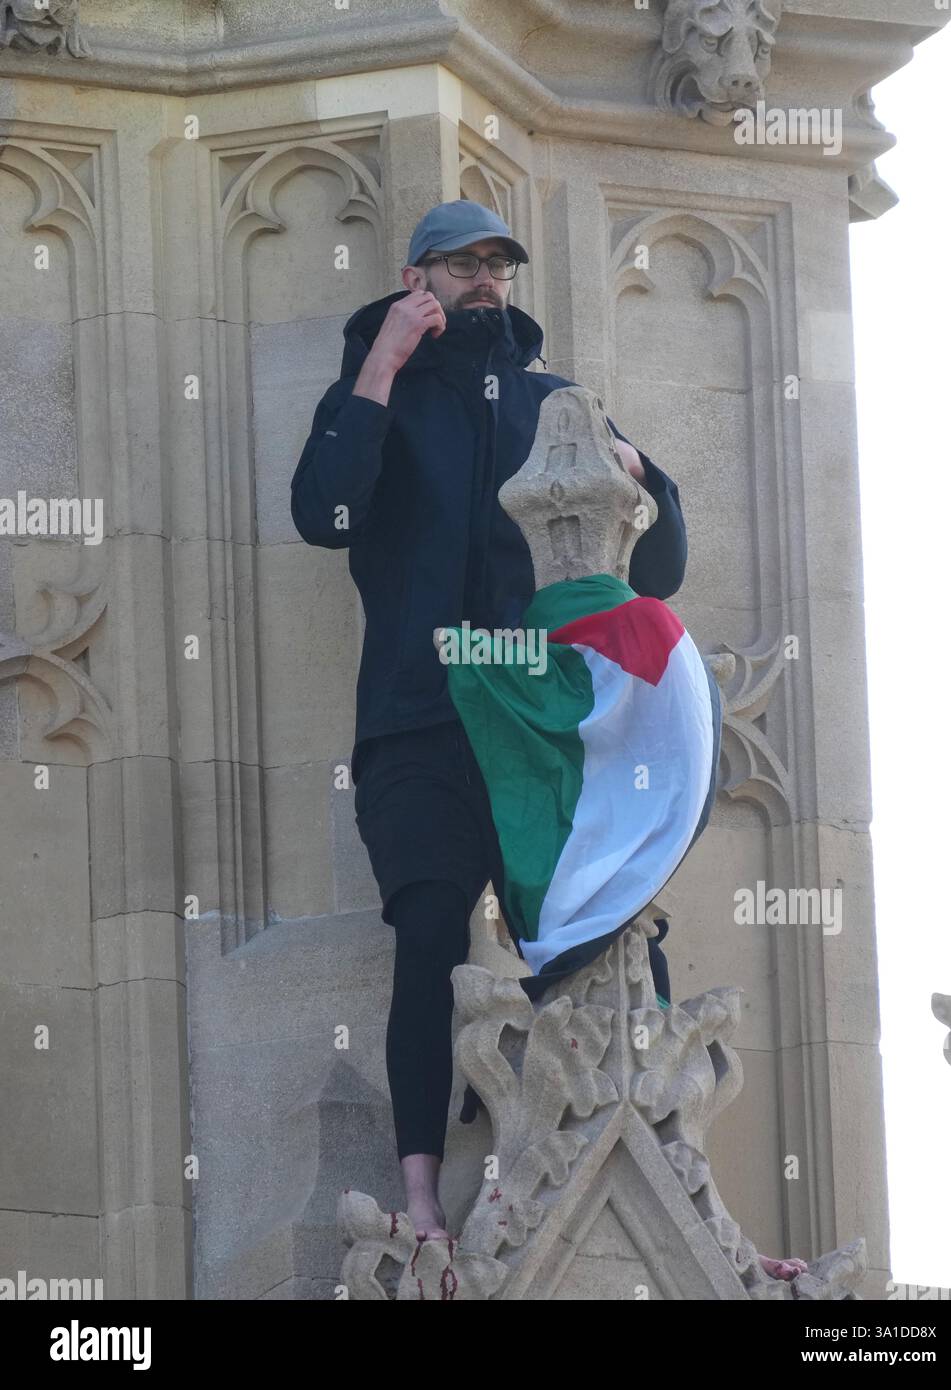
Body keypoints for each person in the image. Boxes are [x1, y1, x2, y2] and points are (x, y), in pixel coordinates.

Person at [290, 199, 807, 1284]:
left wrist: (643, 477)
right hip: (421, 718)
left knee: (617, 930)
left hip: (544, 731)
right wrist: (380, 360)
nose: (485, 279)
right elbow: (323, 513)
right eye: (461, 263)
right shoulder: (378, 399)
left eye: (498, 264)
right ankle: (421, 1197)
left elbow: (653, 566)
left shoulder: (550, 408)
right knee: (429, 932)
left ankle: (695, 1205)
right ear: (414, 276)